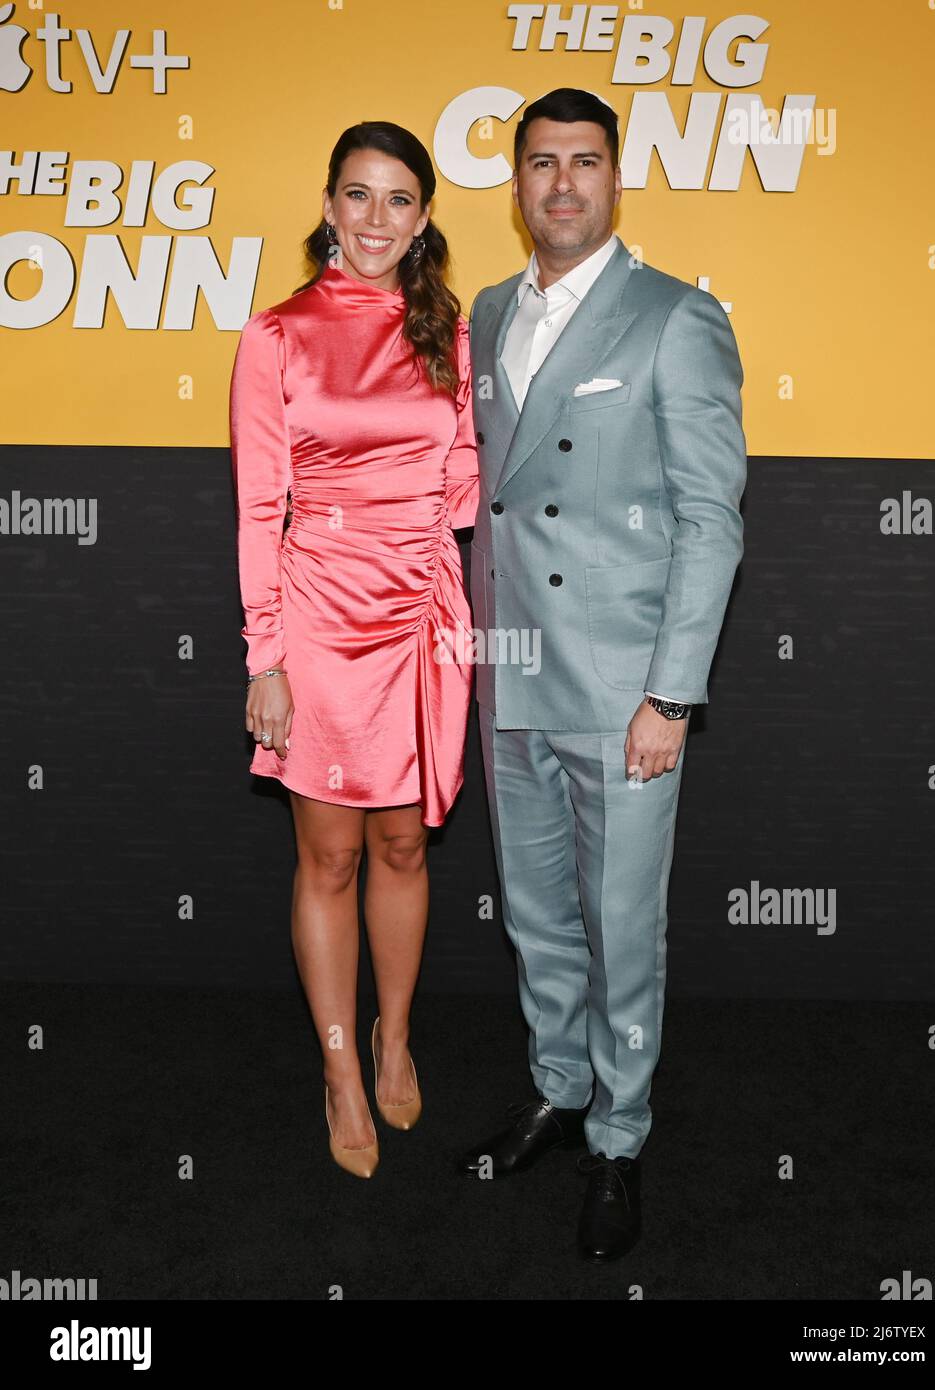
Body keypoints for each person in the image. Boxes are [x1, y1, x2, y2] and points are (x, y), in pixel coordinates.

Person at [458, 88, 747, 1261]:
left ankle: (620, 1137)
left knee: (621, 926)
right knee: (537, 918)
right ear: (516, 185)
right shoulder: (482, 313)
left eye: (584, 163)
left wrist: (672, 695)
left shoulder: (675, 316)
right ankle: (559, 1087)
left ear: (616, 179)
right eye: (541, 164)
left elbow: (711, 519)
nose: (562, 184)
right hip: (508, 670)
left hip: (626, 689)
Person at [229, 121, 478, 1180]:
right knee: (327, 854)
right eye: (358, 196)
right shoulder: (275, 334)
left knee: (406, 846)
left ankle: (392, 1034)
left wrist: (431, 524)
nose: (377, 220)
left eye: (400, 201)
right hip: (318, 618)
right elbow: (256, 506)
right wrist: (265, 656)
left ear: (423, 217)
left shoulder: (446, 328)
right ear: (328, 205)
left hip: (422, 609)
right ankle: (338, 1066)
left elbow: (465, 473)